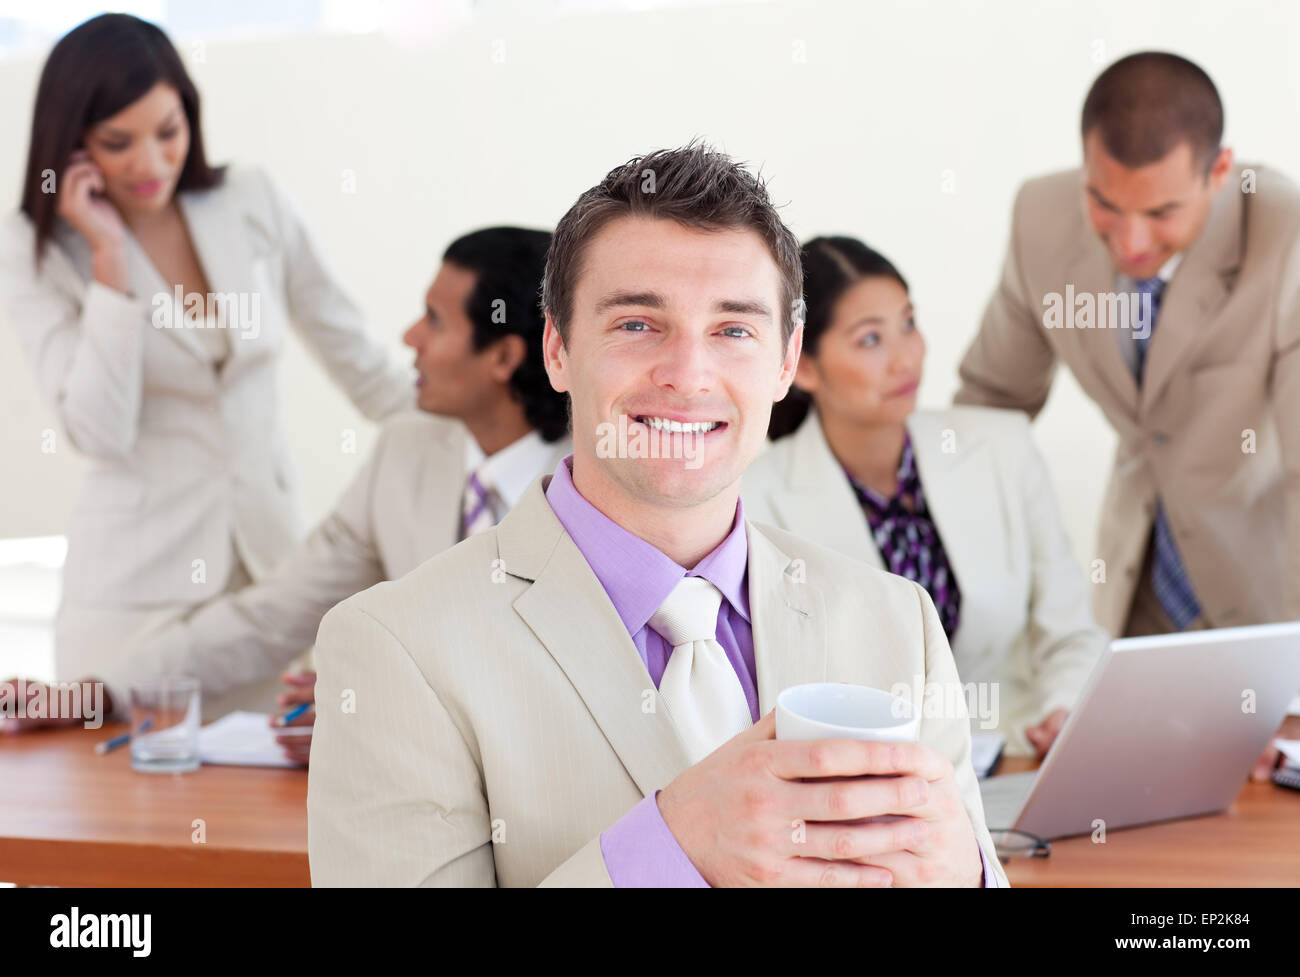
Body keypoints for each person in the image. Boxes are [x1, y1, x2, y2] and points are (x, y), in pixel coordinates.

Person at [307, 143, 1008, 887]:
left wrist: (970, 874)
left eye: (733, 330)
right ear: (556, 348)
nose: (688, 374)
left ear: (784, 360)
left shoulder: (900, 625)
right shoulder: (395, 649)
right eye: (639, 324)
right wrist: (673, 844)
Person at [1, 228, 570, 760]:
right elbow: (271, 614)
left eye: (434, 321)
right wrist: (97, 694)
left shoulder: (600, 478)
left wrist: (381, 712)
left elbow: (565, 688)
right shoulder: (406, 453)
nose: (409, 338)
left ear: (503, 356)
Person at [0, 14, 411, 704]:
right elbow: (100, 430)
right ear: (70, 142)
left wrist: (504, 432)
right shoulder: (36, 249)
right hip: (130, 601)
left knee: (264, 804)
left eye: (168, 131)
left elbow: (360, 360)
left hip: (267, 587)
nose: (152, 163)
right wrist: (109, 262)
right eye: (117, 143)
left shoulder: (248, 199)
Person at [952, 51, 1299, 779]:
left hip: (1269, 595)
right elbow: (990, 409)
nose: (1132, 241)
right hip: (1134, 578)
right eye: (1105, 204)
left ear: (1218, 170)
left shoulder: (1285, 233)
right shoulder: (1040, 219)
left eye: (1163, 212)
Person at [742, 237, 1107, 759]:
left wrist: (1063, 712)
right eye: (870, 340)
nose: (906, 358)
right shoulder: (756, 498)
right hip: (865, 784)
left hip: (1018, 764)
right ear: (803, 364)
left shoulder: (1001, 447)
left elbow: (1070, 632)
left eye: (908, 325)